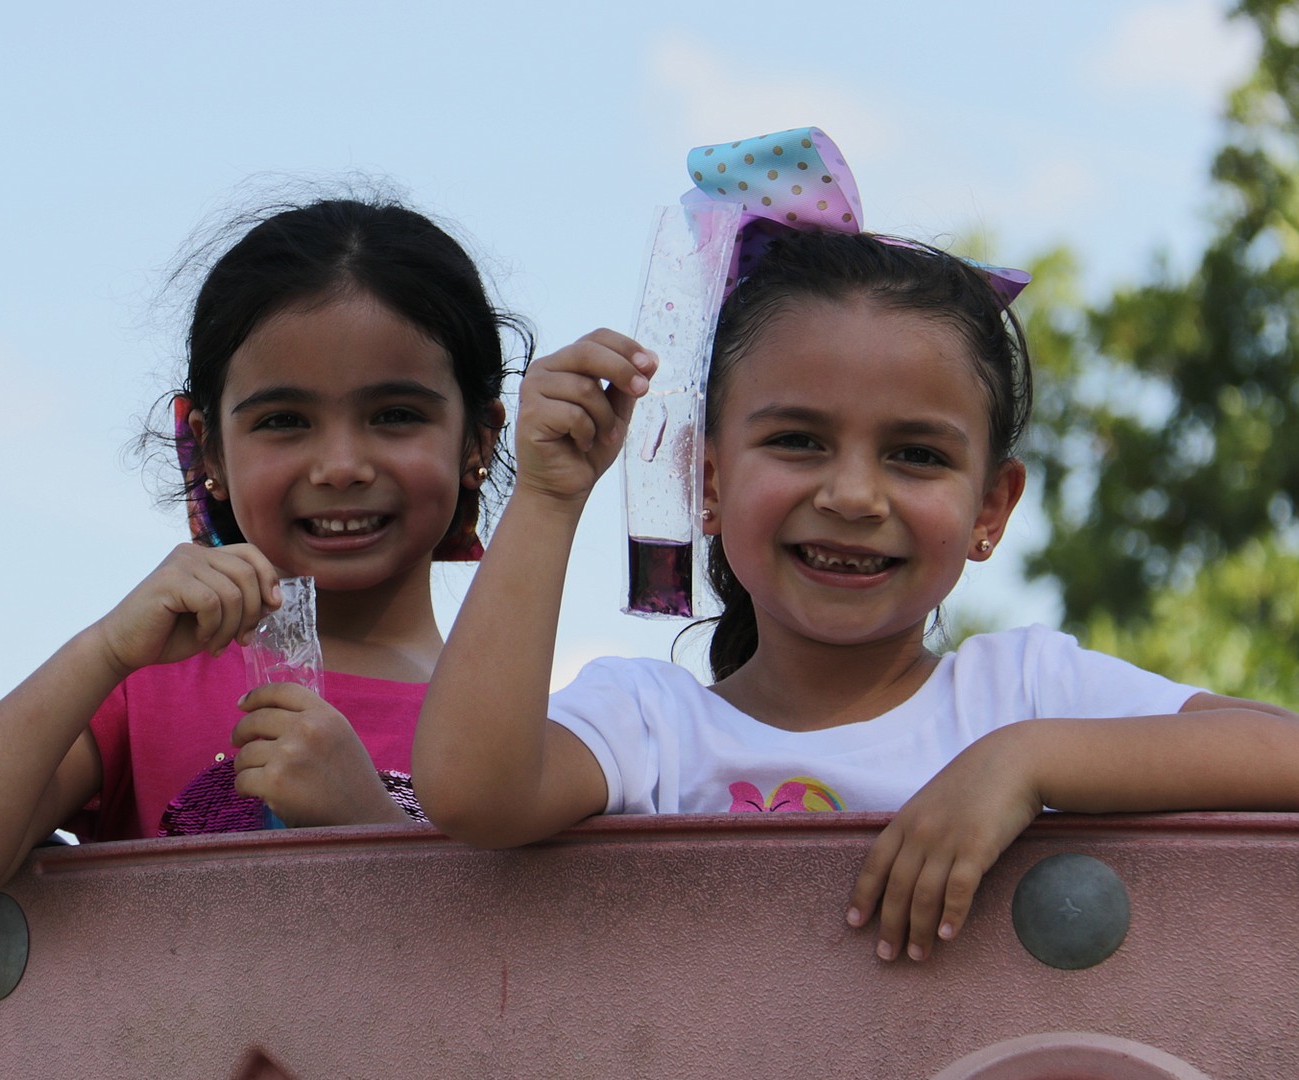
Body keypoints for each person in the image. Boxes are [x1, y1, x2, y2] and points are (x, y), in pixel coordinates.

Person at [413, 128, 1299, 966]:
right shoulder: (653, 729)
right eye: (798, 440)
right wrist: (549, 497)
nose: (852, 495)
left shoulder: (1022, 697)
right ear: (708, 484)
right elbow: (469, 792)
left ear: (992, 509)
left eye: (915, 455)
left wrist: (1024, 762)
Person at [0, 196, 530, 931]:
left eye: (396, 415)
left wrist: (369, 823)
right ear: (209, 449)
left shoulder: (511, 728)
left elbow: (515, 988)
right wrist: (104, 649)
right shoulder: (146, 685)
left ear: (479, 440)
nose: (341, 465)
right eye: (284, 421)